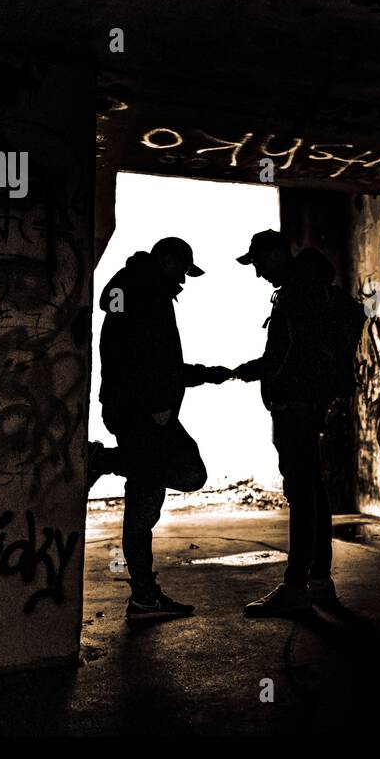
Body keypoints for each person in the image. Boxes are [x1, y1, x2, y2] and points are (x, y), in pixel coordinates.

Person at [88, 237, 231, 620]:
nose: (183, 279)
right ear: (167, 260)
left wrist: (206, 375)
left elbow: (148, 359)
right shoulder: (148, 292)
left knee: (142, 505)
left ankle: (144, 598)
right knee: (189, 473)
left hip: (129, 409)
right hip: (144, 413)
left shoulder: (132, 288)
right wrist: (158, 406)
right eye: (182, 269)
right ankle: (105, 460)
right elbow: (145, 357)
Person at [232, 230, 344, 617]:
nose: (258, 272)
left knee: (301, 492)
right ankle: (320, 581)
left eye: (259, 262)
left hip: (295, 405)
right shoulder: (311, 286)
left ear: (278, 254)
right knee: (313, 489)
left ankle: (296, 586)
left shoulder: (297, 291)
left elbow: (287, 353)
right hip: (307, 403)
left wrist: (254, 371)